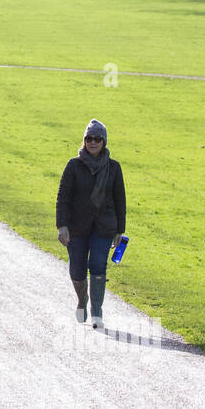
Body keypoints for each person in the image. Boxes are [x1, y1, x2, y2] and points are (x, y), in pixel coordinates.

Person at [56, 119, 126, 330]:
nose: (92, 142)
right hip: (77, 227)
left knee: (97, 265)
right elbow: (63, 197)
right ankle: (82, 300)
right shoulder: (73, 165)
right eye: (89, 138)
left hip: (104, 227)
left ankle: (97, 311)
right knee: (77, 269)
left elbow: (120, 199)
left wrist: (120, 230)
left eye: (97, 139)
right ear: (84, 141)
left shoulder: (113, 168)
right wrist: (62, 226)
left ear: (104, 141)